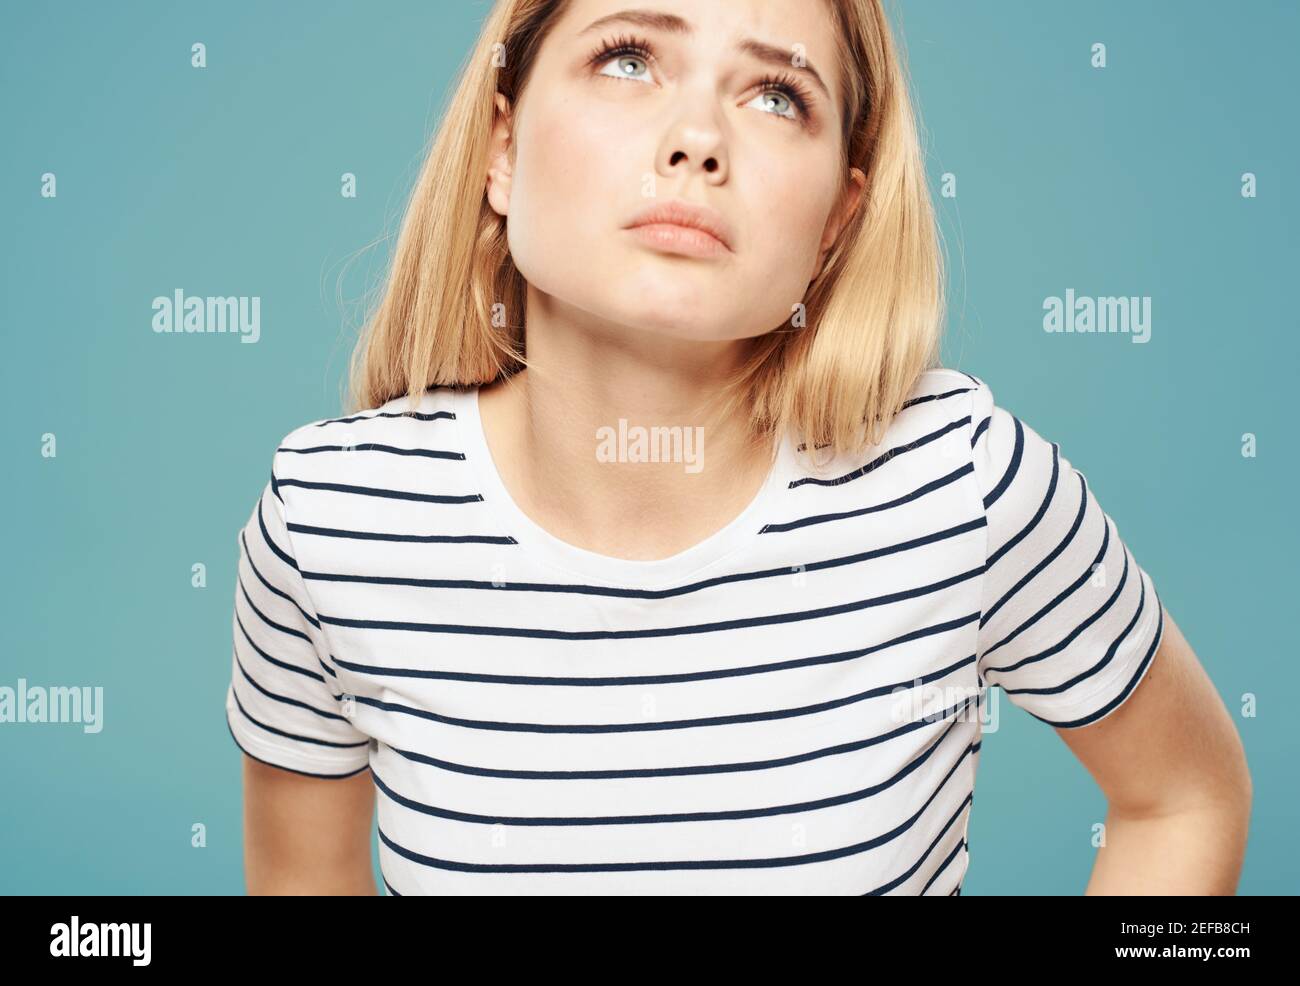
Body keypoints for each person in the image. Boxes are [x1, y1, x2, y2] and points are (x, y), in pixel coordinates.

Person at [225, 0, 1251, 895]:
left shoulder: (962, 485)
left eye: (777, 96)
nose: (696, 138)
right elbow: (301, 879)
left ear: (836, 225)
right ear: (501, 148)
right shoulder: (333, 519)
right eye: (628, 58)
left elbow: (1184, 798)